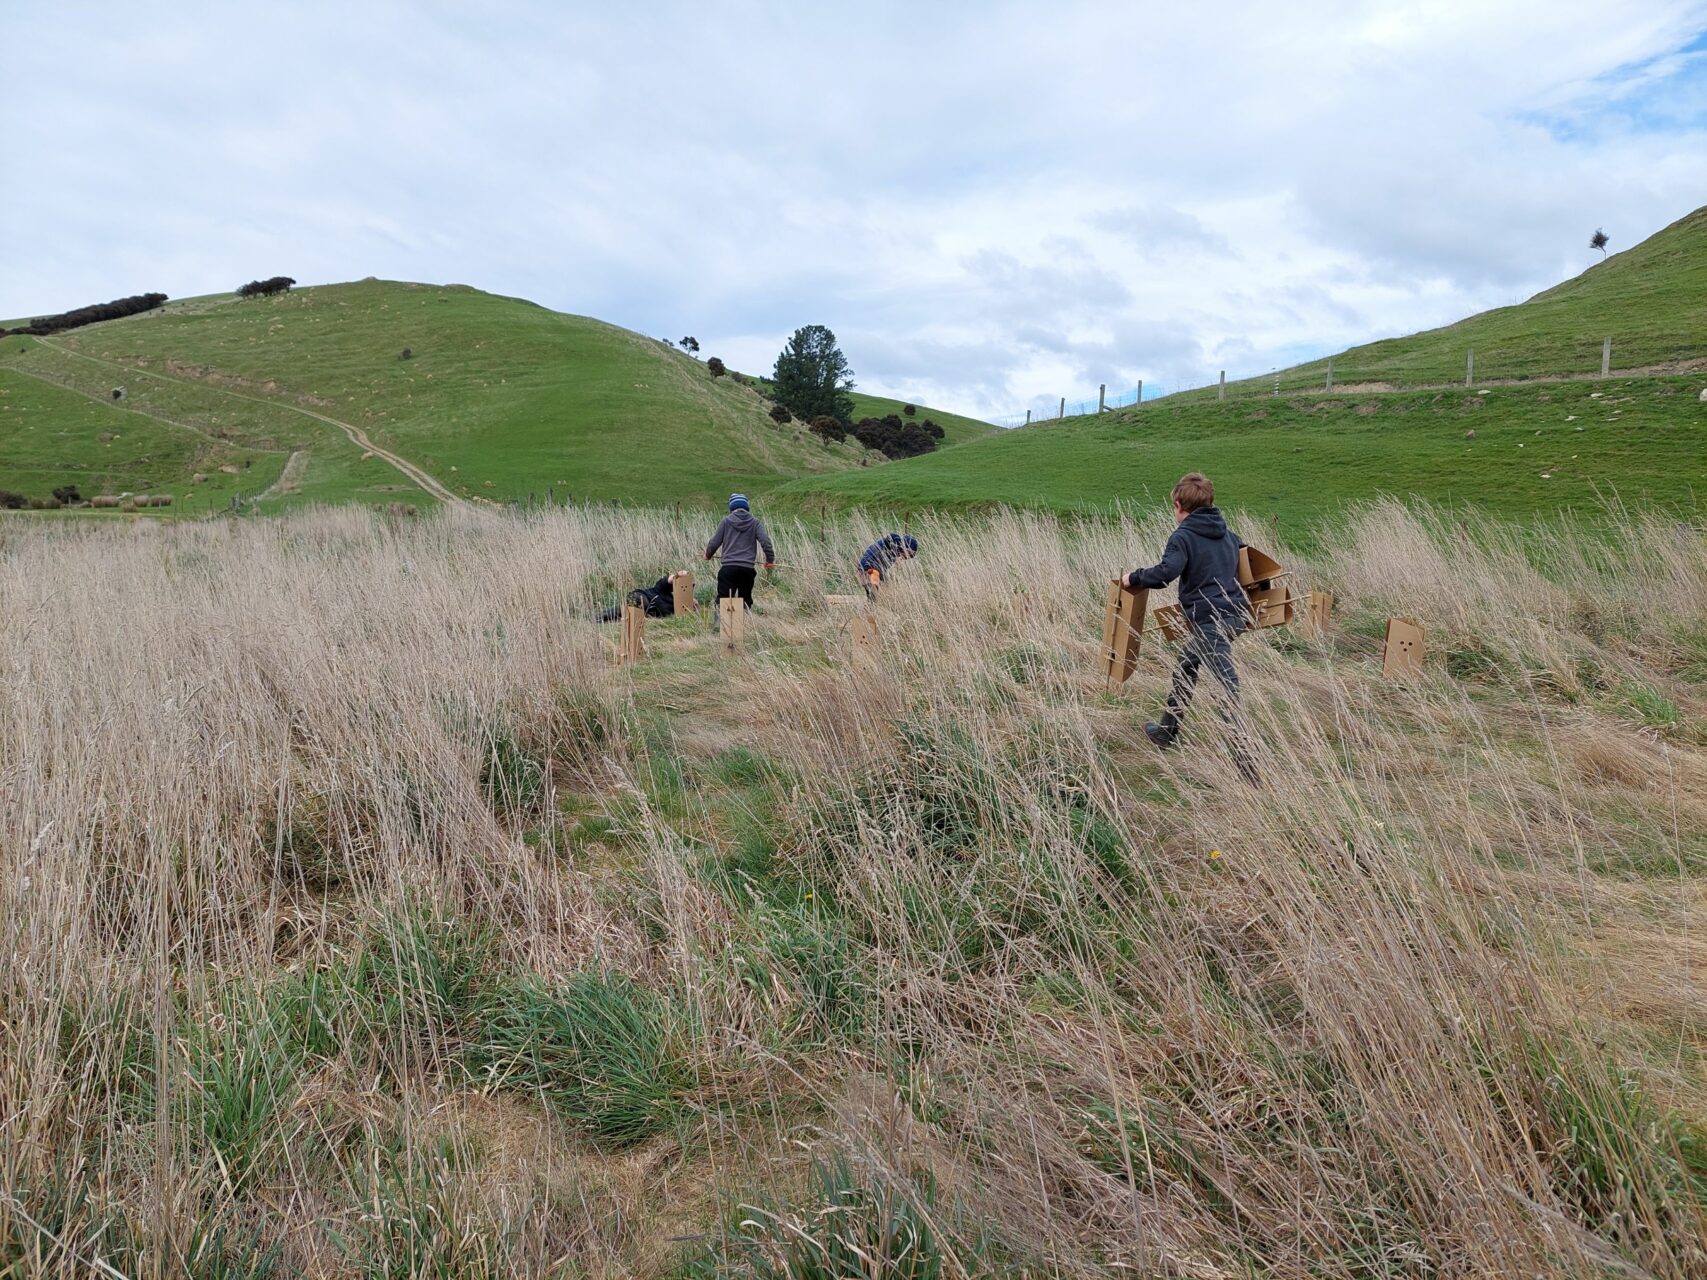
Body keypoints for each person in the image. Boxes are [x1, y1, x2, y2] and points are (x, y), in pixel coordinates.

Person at [1118, 473, 1252, 764]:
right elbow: (1248, 567)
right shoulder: (1229, 536)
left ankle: (1246, 761)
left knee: (1225, 687)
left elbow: (1167, 572)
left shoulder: (1183, 536)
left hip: (1210, 620)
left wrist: (1134, 577)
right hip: (1235, 616)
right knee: (1186, 667)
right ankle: (1166, 732)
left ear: (1179, 505)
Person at [704, 493, 775, 610]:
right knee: (745, 601)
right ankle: (744, 625)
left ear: (732, 508)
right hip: (747, 570)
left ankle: (719, 626)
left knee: (723, 599)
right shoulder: (755, 523)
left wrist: (708, 554)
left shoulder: (726, 522)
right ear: (746, 508)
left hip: (728, 568)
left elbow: (714, 542)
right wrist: (770, 560)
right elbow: (766, 542)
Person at [858, 532, 918, 597]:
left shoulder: (895, 550)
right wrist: (898, 553)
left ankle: (870, 604)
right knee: (875, 588)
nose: (907, 557)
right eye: (909, 554)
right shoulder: (894, 542)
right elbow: (891, 537)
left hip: (866, 567)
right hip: (869, 567)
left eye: (911, 556)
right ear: (905, 547)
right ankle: (871, 603)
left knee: (874, 590)